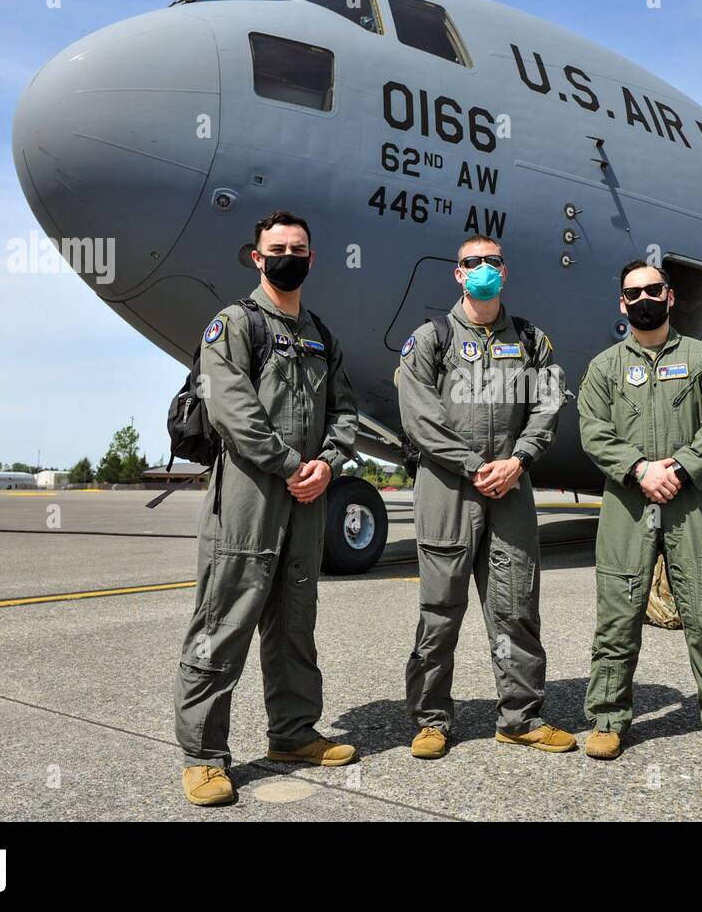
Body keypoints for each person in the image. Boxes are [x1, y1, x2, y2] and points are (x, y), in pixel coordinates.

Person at [175, 210, 358, 805]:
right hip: (250, 497)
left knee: (294, 623)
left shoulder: (320, 334)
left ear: (312, 257)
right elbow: (231, 408)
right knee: (224, 620)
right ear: (257, 257)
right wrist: (290, 465)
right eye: (277, 248)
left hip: (307, 497)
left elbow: (345, 410)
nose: (288, 256)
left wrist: (328, 463)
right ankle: (204, 755)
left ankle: (293, 733)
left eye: (298, 248)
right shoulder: (233, 324)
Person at [398, 235, 574, 759]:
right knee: (439, 608)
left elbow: (548, 403)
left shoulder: (530, 339)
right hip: (449, 488)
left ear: (505, 270)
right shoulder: (432, 337)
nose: (482, 270)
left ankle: (520, 717)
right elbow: (419, 415)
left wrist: (519, 459)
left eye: (491, 262)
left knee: (515, 605)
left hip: (511, 486)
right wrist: (475, 465)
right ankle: (431, 719)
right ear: (458, 274)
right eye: (471, 263)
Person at [576, 260, 702, 762]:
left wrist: (679, 468)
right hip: (628, 503)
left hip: (690, 502)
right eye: (632, 293)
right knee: (618, 612)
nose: (643, 300)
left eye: (652, 290)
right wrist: (639, 469)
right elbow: (593, 431)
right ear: (622, 303)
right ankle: (609, 719)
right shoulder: (605, 368)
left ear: (670, 296)